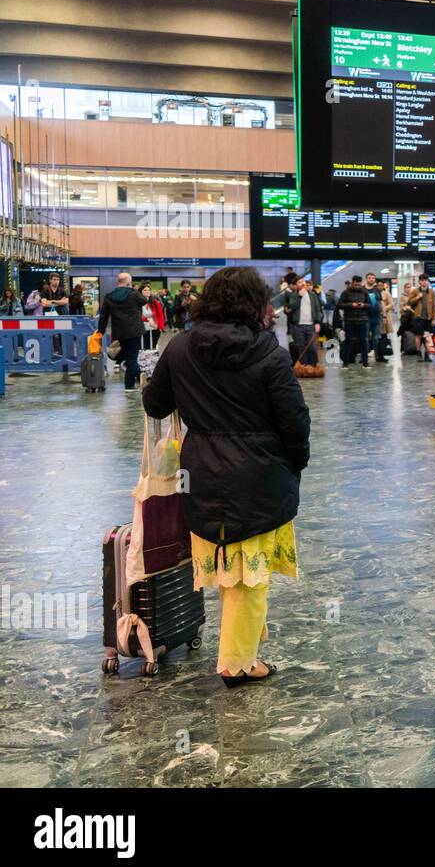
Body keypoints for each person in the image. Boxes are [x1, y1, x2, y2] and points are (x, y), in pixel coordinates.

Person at [143, 266, 308, 687]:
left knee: (227, 568)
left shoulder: (179, 348)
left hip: (199, 472)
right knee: (249, 577)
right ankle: (237, 663)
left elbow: (155, 405)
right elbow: (294, 421)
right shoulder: (269, 351)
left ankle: (245, 643)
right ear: (255, 305)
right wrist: (295, 462)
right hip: (260, 473)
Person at [96, 272, 150, 391]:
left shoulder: (109, 296)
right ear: (128, 282)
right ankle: (141, 376)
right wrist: (133, 289)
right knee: (132, 358)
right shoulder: (133, 294)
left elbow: (104, 316)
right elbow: (144, 301)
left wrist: (100, 331)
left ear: (118, 282)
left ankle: (129, 385)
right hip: (135, 331)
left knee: (129, 357)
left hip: (120, 332)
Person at [280, 274, 323, 367]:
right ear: (296, 285)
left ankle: (314, 366)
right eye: (299, 282)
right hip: (298, 326)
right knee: (301, 348)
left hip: (311, 325)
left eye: (303, 281)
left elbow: (317, 310)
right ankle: (303, 367)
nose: (303, 283)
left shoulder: (312, 295)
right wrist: (299, 296)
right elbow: (292, 308)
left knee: (312, 348)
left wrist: (318, 322)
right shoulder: (293, 295)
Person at [337, 275, 372, 368]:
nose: (357, 286)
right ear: (352, 282)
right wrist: (351, 305)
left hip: (362, 320)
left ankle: (365, 363)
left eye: (359, 284)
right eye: (355, 284)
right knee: (348, 341)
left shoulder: (364, 292)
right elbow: (340, 304)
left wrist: (363, 305)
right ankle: (345, 363)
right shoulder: (345, 292)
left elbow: (369, 305)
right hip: (349, 321)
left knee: (364, 341)